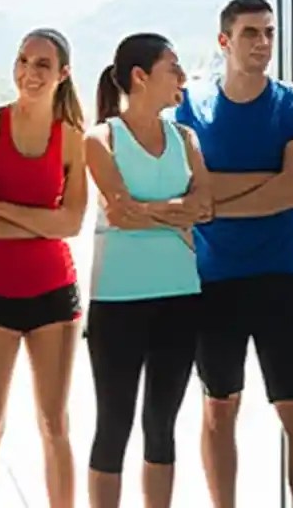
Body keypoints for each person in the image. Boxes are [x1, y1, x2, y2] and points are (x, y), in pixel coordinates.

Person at [173, 0, 293, 508]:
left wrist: (213, 200)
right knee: (219, 407)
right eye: (250, 33)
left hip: (279, 278)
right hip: (212, 280)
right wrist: (263, 184)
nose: (262, 43)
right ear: (225, 41)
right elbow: (183, 186)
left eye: (268, 33)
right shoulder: (191, 107)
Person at [0, 28, 87, 508]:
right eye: (24, 61)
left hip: (54, 291)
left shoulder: (72, 138)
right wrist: (39, 223)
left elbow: (71, 222)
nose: (29, 73)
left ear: (63, 74)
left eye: (42, 65)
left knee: (56, 424)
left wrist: (1, 209)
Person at [84, 33, 212, 508]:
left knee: (161, 425)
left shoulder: (186, 138)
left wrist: (150, 210)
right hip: (118, 302)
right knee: (113, 424)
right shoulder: (101, 138)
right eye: (172, 68)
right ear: (140, 77)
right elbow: (118, 212)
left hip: (180, 296)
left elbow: (205, 206)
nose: (181, 78)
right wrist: (175, 214)